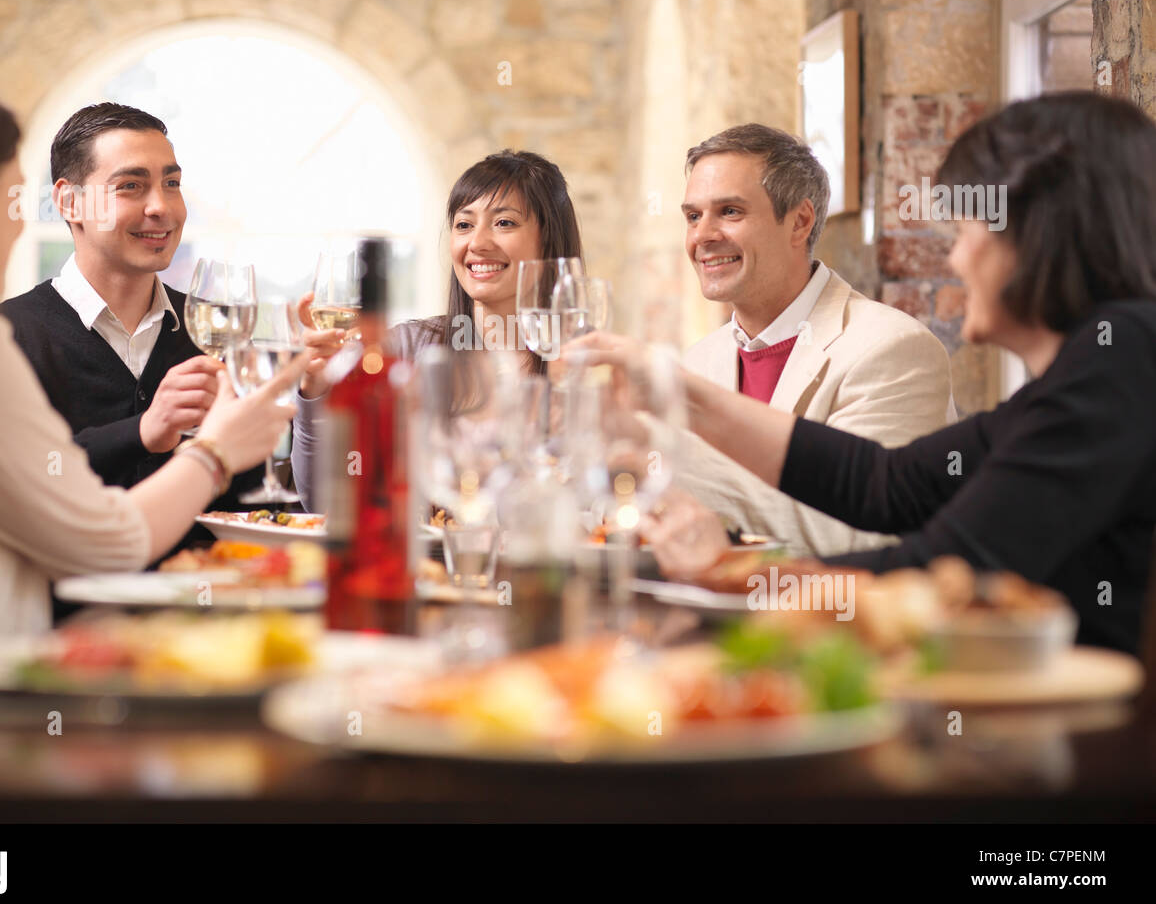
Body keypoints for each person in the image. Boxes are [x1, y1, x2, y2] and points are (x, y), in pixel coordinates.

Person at [574, 92, 1156, 655]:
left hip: (1089, 738)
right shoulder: (1086, 371)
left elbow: (938, 567)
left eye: (966, 232)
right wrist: (672, 390)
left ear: (1040, 232)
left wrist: (729, 572)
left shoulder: (1121, 356)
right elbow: (883, 482)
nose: (954, 259)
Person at [0, 70, 306, 638]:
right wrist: (215, 451)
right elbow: (103, 543)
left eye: (172, 183)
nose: (18, 226)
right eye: (11, 195)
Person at [670, 123, 955, 556]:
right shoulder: (695, 364)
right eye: (693, 216)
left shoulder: (894, 349)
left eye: (729, 211)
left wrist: (655, 460)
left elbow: (866, 532)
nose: (703, 236)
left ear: (800, 221)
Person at [289, 149, 585, 510]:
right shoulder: (406, 349)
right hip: (425, 567)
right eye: (464, 224)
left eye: (504, 223)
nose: (476, 243)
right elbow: (326, 504)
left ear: (549, 240)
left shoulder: (585, 370)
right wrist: (317, 392)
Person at [0, 103, 256, 498]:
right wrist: (143, 431)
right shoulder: (0, 339)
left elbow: (258, 503)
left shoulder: (221, 333)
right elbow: (10, 485)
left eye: (171, 184)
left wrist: (309, 398)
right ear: (69, 202)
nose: (162, 208)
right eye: (130, 186)